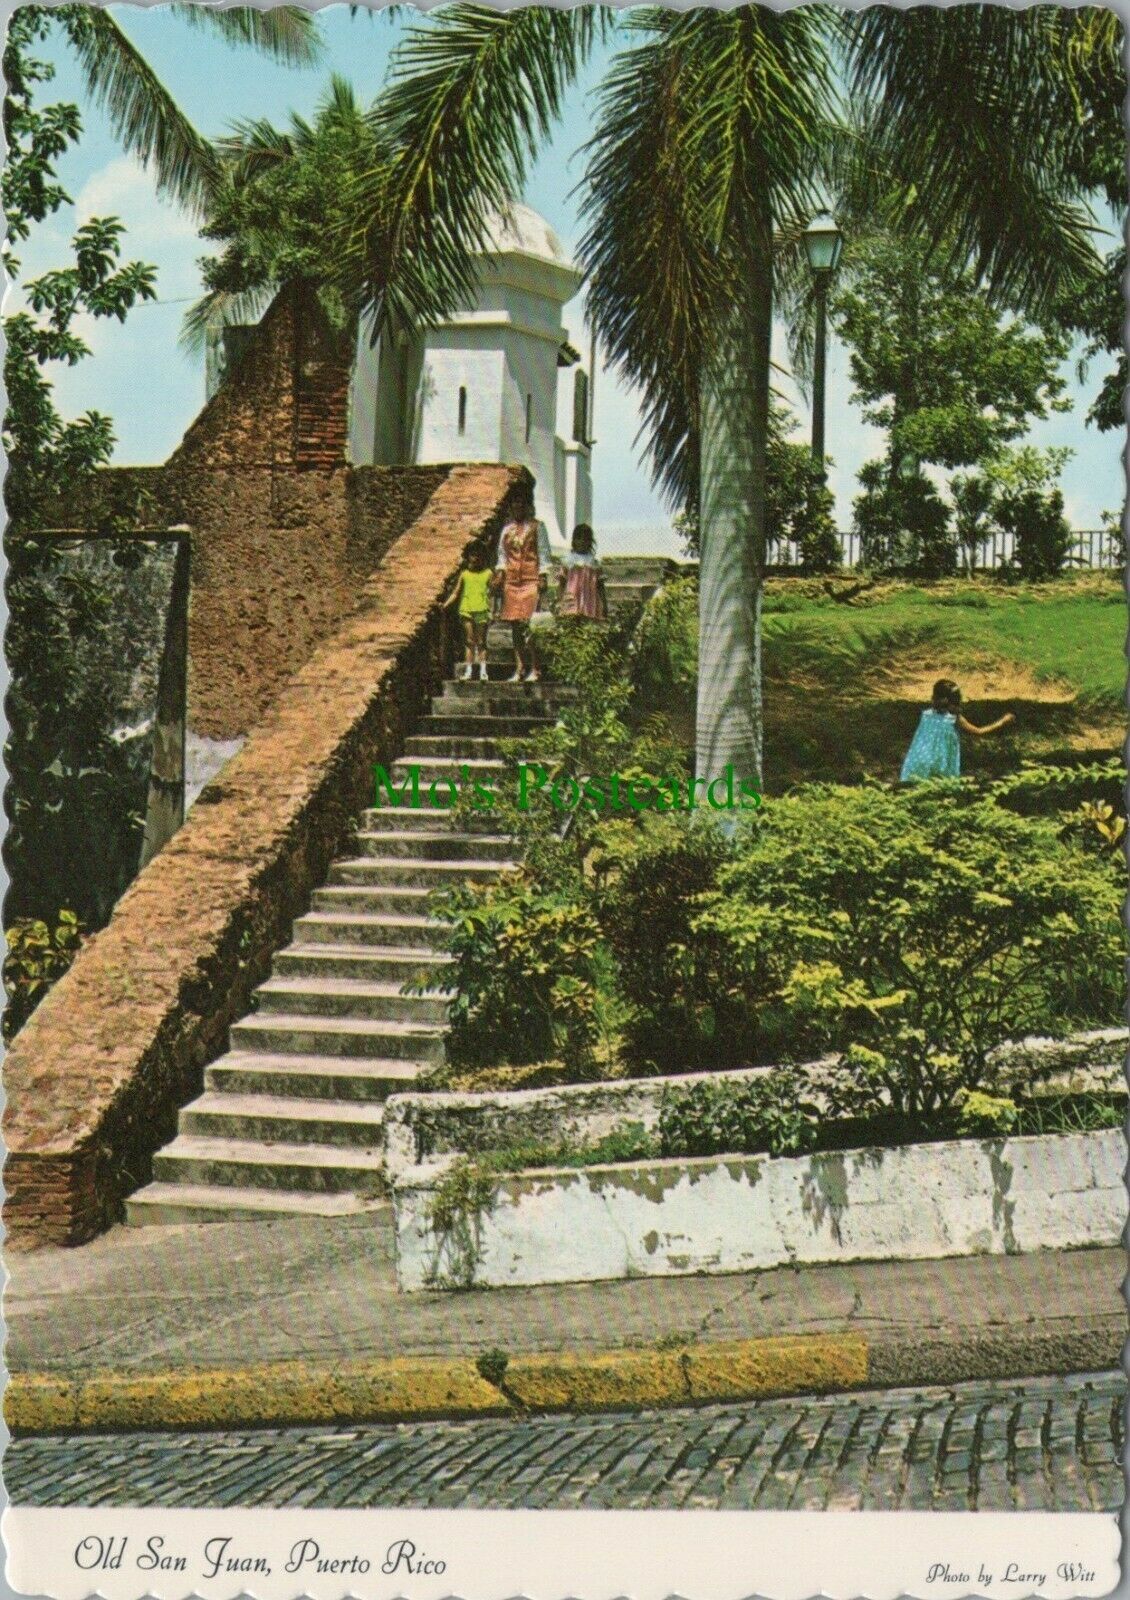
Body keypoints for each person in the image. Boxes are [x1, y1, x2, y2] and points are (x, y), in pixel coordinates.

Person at [900, 678, 1015, 781]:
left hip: (917, 763)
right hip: (940, 767)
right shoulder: (953, 719)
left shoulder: (926, 715)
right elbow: (978, 731)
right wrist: (1002, 721)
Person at [492, 499, 552, 681]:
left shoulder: (537, 527)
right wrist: (500, 574)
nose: (518, 509)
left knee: (529, 625)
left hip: (530, 579)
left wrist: (543, 575)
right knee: (515, 626)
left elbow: (542, 552)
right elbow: (502, 555)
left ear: (527, 508)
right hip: (511, 581)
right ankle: (519, 668)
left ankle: (535, 667)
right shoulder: (507, 530)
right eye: (515, 506)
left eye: (521, 506)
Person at [445, 543, 493, 680]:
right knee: (469, 640)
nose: (475, 558)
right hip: (466, 609)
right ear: (468, 557)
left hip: (481, 609)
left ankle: (483, 670)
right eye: (472, 555)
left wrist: (493, 610)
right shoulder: (464, 574)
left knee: (481, 641)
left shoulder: (488, 573)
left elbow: (493, 592)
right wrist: (445, 605)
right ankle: (469, 670)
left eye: (478, 555)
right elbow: (456, 592)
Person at [558, 523, 607, 620]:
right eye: (578, 539)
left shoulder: (594, 563)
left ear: (590, 542)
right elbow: (562, 583)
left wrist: (604, 605)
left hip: (590, 601)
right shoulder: (568, 561)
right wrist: (560, 601)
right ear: (574, 541)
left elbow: (600, 586)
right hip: (572, 600)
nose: (582, 542)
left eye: (585, 539)